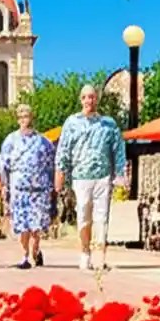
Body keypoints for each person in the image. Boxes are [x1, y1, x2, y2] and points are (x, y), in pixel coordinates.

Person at [54, 84, 127, 272]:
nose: (89, 101)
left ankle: (100, 256)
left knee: (102, 218)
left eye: (92, 97)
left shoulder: (109, 124)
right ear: (81, 100)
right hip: (81, 177)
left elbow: (118, 150)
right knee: (84, 217)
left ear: (97, 99)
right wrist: (60, 173)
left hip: (103, 176)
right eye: (86, 97)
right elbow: (63, 149)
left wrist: (120, 174)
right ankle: (85, 251)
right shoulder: (72, 123)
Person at [0, 104, 56, 269]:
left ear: (32, 118)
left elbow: (51, 164)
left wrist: (52, 186)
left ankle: (35, 250)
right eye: (21, 117)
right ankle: (25, 255)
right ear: (18, 120)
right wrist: (5, 185)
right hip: (19, 190)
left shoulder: (43, 141)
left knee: (36, 225)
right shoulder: (11, 140)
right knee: (23, 225)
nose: (25, 120)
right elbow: (3, 164)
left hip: (39, 190)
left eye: (27, 116)